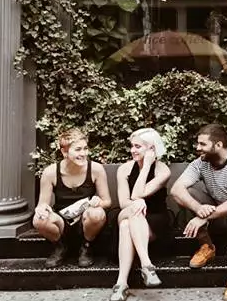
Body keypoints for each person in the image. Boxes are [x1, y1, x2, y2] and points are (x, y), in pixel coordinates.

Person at [170, 123, 227, 301]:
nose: (198, 148)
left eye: (202, 144)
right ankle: (207, 246)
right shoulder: (200, 164)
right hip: (220, 216)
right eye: (198, 144)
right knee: (188, 194)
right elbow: (176, 190)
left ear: (219, 145)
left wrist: (202, 218)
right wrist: (198, 209)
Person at [33, 128, 112, 268]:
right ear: (64, 152)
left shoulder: (96, 169)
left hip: (86, 221)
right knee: (39, 220)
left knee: (97, 213)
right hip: (62, 222)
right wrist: (41, 209)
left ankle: (86, 246)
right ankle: (60, 247)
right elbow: (42, 205)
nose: (83, 153)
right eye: (78, 150)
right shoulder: (50, 172)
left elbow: (107, 202)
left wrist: (99, 202)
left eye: (85, 149)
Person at [110, 127, 172, 301]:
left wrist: (146, 168)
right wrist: (137, 202)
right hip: (127, 211)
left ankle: (121, 283)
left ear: (152, 149)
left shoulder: (162, 171)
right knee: (133, 212)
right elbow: (126, 202)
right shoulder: (124, 170)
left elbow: (137, 194)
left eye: (138, 146)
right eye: (132, 146)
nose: (133, 150)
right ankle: (147, 265)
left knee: (126, 225)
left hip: (154, 222)